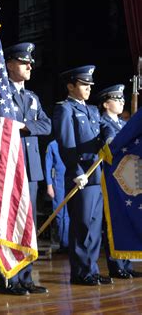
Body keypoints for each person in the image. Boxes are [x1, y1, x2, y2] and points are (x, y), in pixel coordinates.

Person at [0, 42, 50, 295]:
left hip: (31, 168)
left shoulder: (32, 97)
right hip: (10, 166)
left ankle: (26, 277)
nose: (29, 65)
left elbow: (47, 126)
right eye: (23, 62)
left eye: (30, 62)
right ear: (9, 65)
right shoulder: (1, 95)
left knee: (27, 223)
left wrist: (24, 125)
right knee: (7, 222)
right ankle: (8, 278)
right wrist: (20, 125)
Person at [53, 66, 115, 286]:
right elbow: (67, 143)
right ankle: (80, 272)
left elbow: (105, 128)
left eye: (90, 85)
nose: (88, 88)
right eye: (84, 84)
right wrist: (76, 172)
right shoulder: (65, 109)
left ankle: (92, 270)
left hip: (96, 175)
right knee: (82, 226)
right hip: (82, 176)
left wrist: (107, 137)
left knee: (95, 226)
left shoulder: (92, 110)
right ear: (71, 86)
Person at [96, 84, 142, 279]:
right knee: (113, 220)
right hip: (111, 181)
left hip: (126, 180)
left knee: (125, 218)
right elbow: (110, 142)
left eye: (123, 99)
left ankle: (126, 264)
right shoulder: (104, 122)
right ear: (106, 104)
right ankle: (116, 266)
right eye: (117, 99)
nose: (122, 102)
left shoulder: (124, 124)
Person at [44, 140, 69, 252]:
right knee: (59, 214)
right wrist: (49, 185)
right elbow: (48, 167)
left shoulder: (72, 142)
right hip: (58, 184)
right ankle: (63, 243)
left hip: (71, 182)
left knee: (70, 215)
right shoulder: (52, 145)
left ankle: (69, 243)